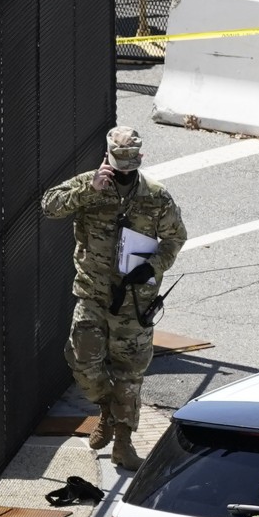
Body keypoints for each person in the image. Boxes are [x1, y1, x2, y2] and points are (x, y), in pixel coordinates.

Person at [42, 128, 186, 470]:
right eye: (118, 164)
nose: (124, 171)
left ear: (140, 159)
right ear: (107, 156)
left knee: (130, 372)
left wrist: (151, 267)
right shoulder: (90, 186)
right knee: (82, 360)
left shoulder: (155, 196)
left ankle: (123, 442)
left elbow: (174, 238)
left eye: (130, 164)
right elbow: (49, 206)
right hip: (93, 292)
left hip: (133, 300)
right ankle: (107, 408)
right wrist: (86, 189)